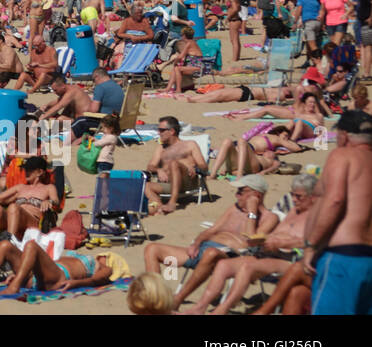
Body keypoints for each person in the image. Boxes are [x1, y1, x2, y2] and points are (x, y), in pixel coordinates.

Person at [183, 174, 318, 315]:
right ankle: (200, 308)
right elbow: (272, 234)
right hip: (270, 253)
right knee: (224, 265)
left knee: (247, 266)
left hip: (291, 259)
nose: (294, 199)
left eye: (299, 196)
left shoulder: (317, 216)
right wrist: (269, 238)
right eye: (293, 195)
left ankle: (221, 310)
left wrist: (286, 242)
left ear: (313, 196)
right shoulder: (294, 211)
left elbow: (316, 242)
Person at [143, 175, 279, 308]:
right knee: (152, 249)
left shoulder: (270, 218)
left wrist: (252, 212)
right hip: (202, 250)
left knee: (211, 253)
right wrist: (196, 243)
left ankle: (178, 299)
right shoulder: (234, 209)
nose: (237, 195)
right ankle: (157, 299)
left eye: (241, 191)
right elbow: (212, 230)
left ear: (256, 195)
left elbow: (250, 244)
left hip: (229, 259)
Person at [305, 108, 372, 314]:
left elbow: (335, 200)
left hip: (343, 256)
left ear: (343, 136)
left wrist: (311, 244)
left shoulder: (343, 155)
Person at [0, 154, 59, 242]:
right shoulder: (20, 187)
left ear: (40, 172)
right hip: (15, 219)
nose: (26, 171)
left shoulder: (48, 188)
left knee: (13, 207)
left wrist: (49, 201)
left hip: (33, 223)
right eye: (26, 169)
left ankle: (10, 243)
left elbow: (56, 201)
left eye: (30, 169)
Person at [143, 116, 207, 215]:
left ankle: (172, 203)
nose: (158, 133)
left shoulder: (190, 145)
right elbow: (150, 167)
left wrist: (194, 167)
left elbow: (204, 166)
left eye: (161, 130)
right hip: (169, 184)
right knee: (145, 185)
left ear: (172, 131)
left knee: (174, 163)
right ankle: (159, 207)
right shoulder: (161, 148)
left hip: (187, 182)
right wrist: (158, 170)